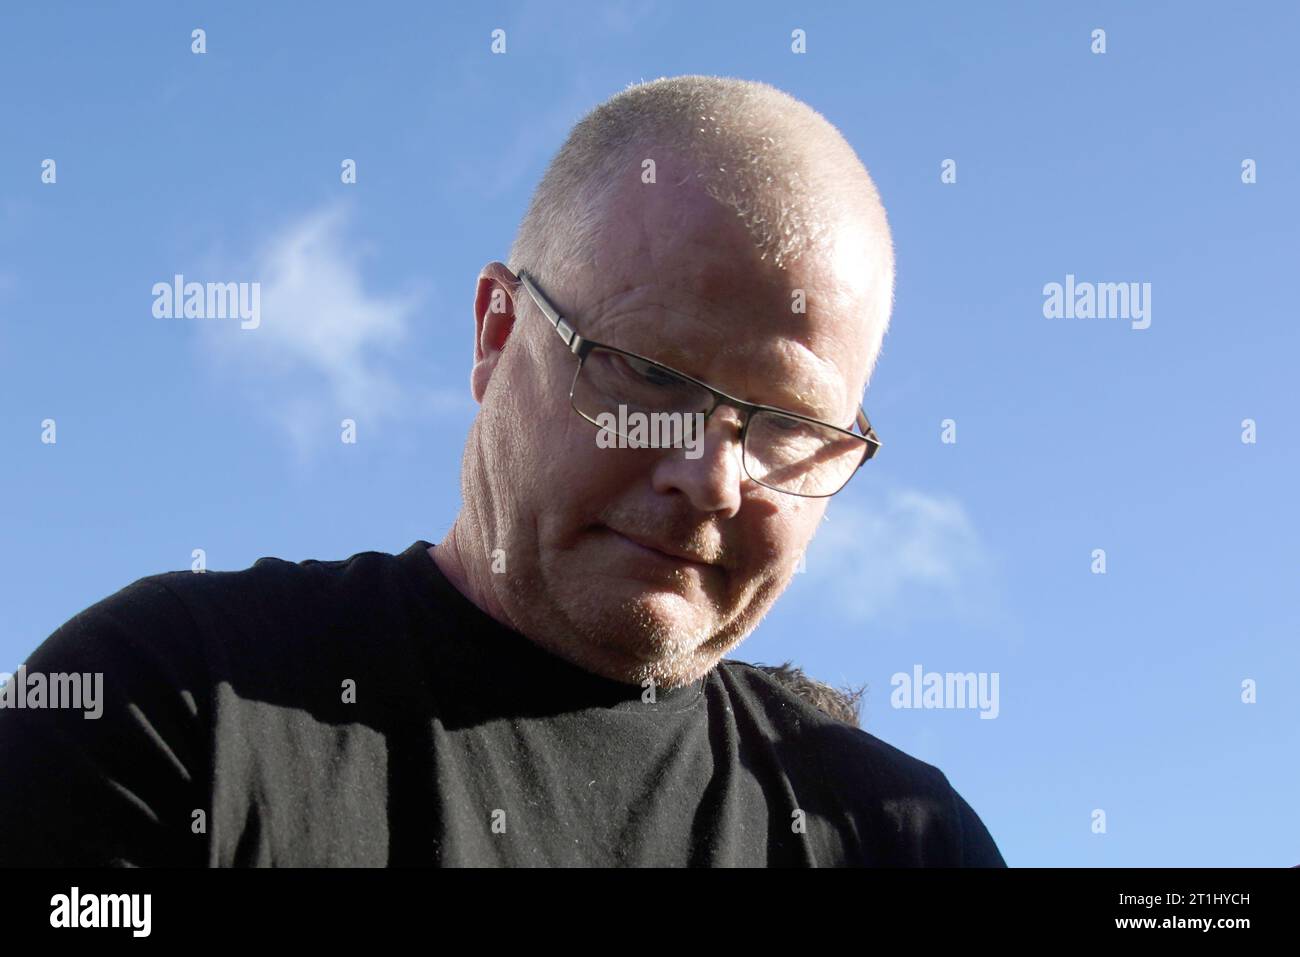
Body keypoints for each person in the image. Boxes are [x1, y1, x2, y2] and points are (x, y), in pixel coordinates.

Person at [0, 75, 1005, 867]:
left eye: (787, 425)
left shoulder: (897, 839)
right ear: (496, 332)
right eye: (652, 377)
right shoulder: (167, 708)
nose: (711, 477)